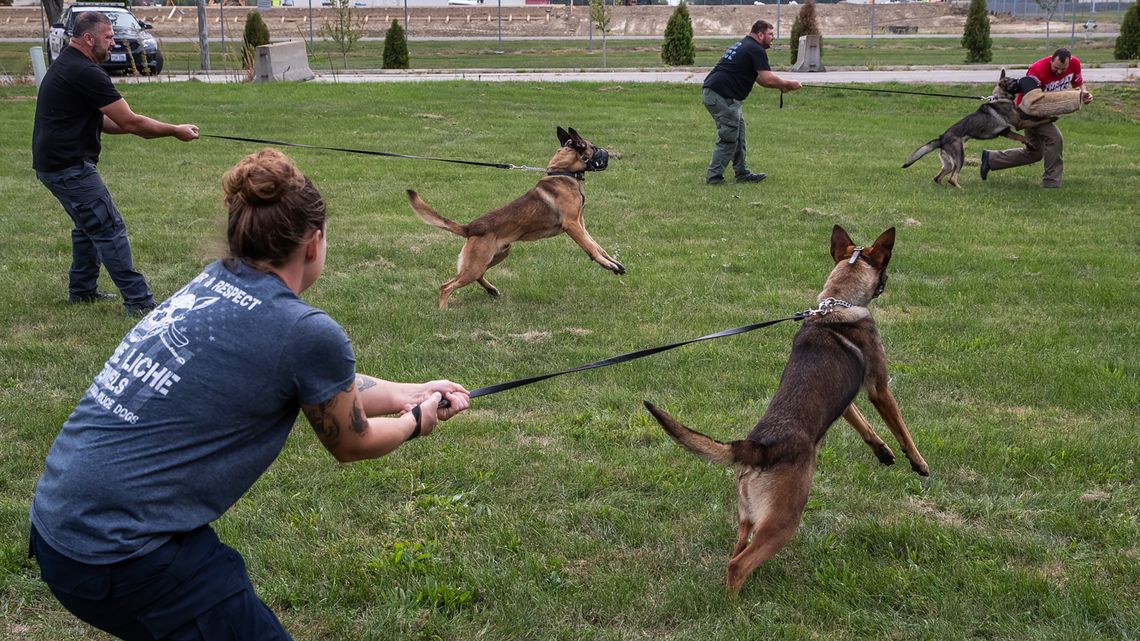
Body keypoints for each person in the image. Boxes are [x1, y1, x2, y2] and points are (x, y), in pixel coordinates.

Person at [28, 148, 472, 640]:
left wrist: (412, 391)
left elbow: (321, 389)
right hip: (120, 553)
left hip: (59, 524)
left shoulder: (212, 284)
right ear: (314, 243)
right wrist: (416, 421)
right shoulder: (305, 331)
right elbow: (351, 442)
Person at [32, 11, 199, 317]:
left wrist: (132, 126)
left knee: (88, 226)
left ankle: (82, 292)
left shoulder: (69, 65)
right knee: (108, 227)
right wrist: (174, 131)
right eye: (108, 37)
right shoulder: (85, 72)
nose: (113, 42)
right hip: (68, 166)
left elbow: (108, 121)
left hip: (53, 165)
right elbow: (132, 121)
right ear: (88, 38)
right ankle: (139, 301)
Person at [701, 19, 802, 185]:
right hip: (721, 96)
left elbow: (760, 79)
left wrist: (781, 86)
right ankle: (714, 177)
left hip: (717, 93)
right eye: (770, 34)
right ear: (760, 34)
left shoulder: (745, 45)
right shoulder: (755, 49)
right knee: (729, 136)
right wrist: (789, 84)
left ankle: (742, 173)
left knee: (738, 134)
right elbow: (768, 78)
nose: (773, 38)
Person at [981, 48, 1093, 189]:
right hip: (1028, 110)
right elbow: (1032, 101)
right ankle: (1051, 182)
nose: (1059, 72)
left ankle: (991, 159)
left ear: (1069, 62)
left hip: (1045, 110)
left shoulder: (1075, 63)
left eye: (1063, 69)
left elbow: (1078, 83)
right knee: (1054, 137)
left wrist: (1084, 93)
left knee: (1035, 153)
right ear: (1051, 60)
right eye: (1056, 68)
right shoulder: (1037, 69)